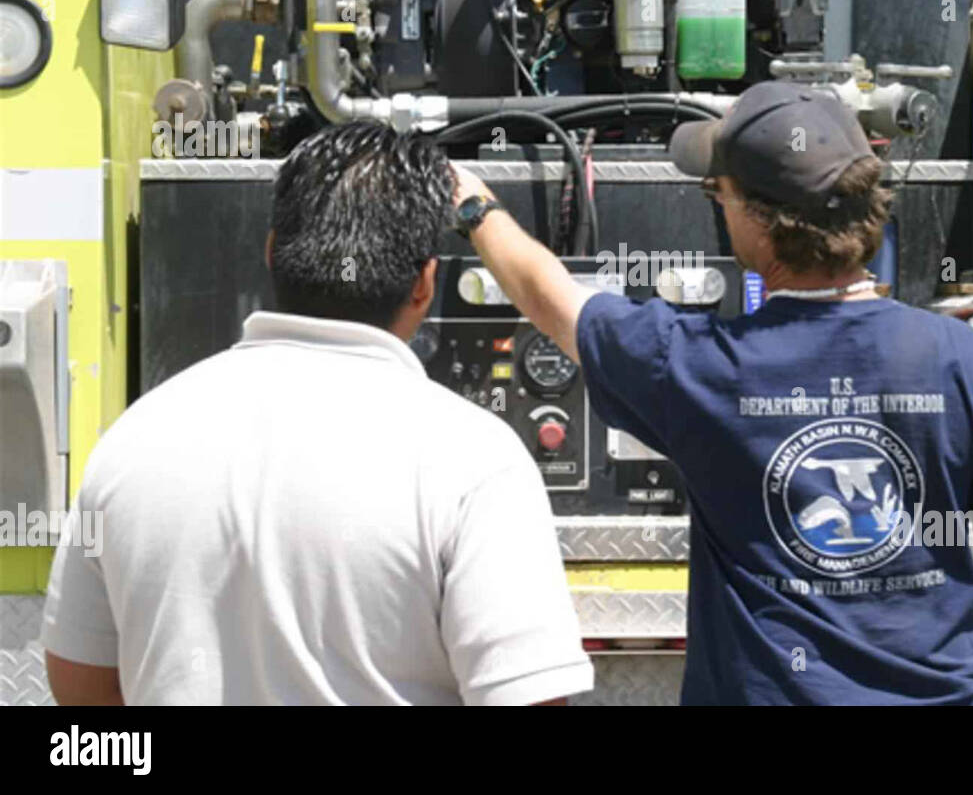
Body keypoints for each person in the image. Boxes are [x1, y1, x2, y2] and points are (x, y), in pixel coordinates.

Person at [451, 81, 973, 705]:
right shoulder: (969, 363)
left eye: (719, 193)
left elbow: (552, 300)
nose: (717, 207)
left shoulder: (694, 365)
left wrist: (477, 208)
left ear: (761, 220)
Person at [41, 123, 592, 706]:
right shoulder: (475, 460)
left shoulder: (133, 440)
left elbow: (80, 684)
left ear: (274, 252)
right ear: (424, 284)